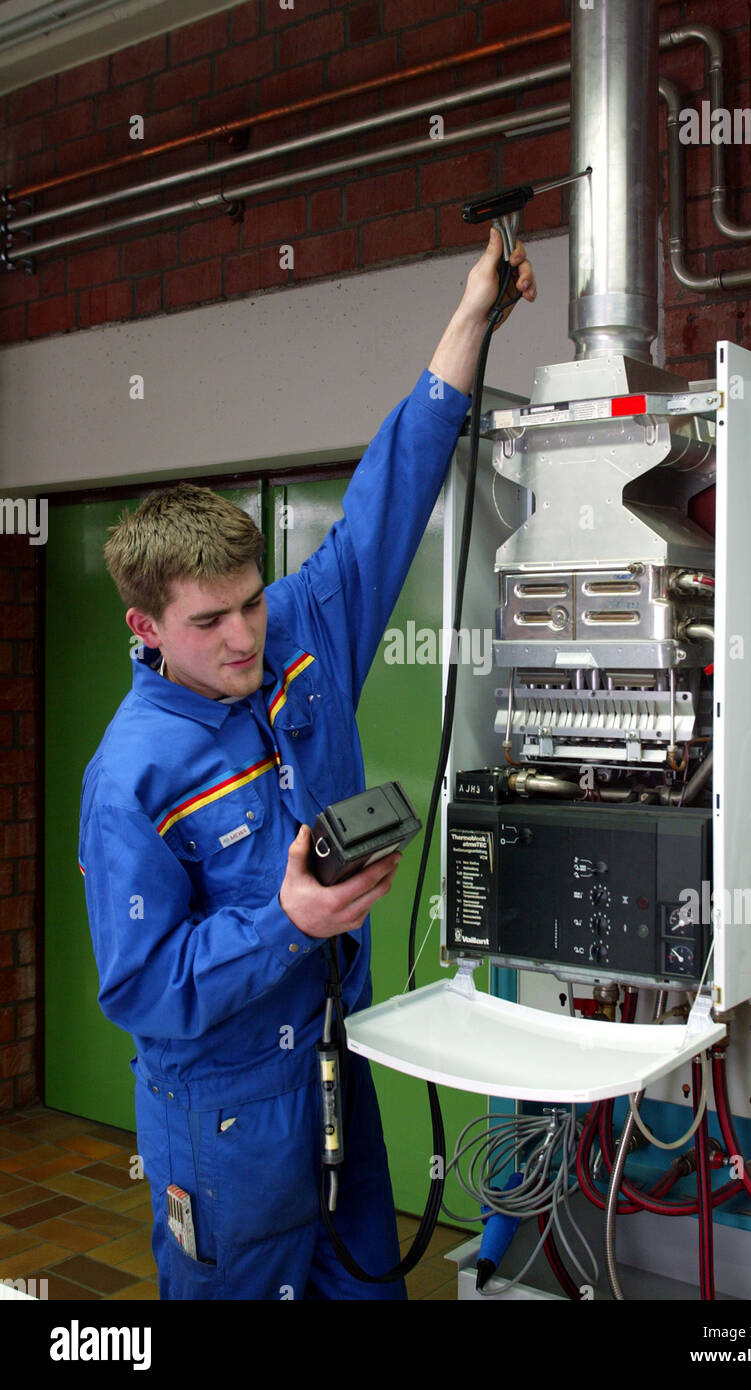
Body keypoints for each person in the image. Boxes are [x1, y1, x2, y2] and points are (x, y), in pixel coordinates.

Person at [78, 228, 536, 1301]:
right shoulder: (130, 777)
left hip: (337, 1062)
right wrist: (289, 921)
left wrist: (470, 315)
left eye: (249, 600)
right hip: (225, 1118)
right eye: (209, 622)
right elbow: (141, 985)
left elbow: (390, 490)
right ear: (145, 627)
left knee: (365, 1288)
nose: (244, 637)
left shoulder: (297, 630)